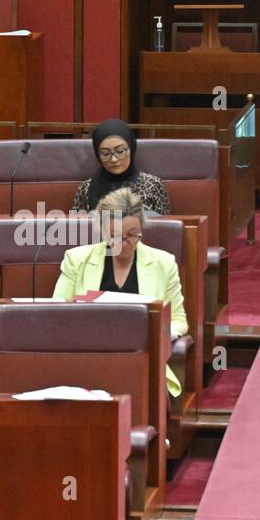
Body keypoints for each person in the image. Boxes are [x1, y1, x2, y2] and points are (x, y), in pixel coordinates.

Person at [53, 188, 187, 396]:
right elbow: (56, 313)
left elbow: (179, 320)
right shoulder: (77, 260)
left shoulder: (163, 263)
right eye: (114, 236)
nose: (123, 243)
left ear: (141, 228)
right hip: (87, 358)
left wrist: (158, 334)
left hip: (142, 359)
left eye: (132, 235)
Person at [70, 119, 172, 214]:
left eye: (120, 151)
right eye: (105, 154)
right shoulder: (85, 188)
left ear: (131, 148)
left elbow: (165, 225)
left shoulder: (153, 185)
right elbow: (76, 225)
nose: (113, 159)